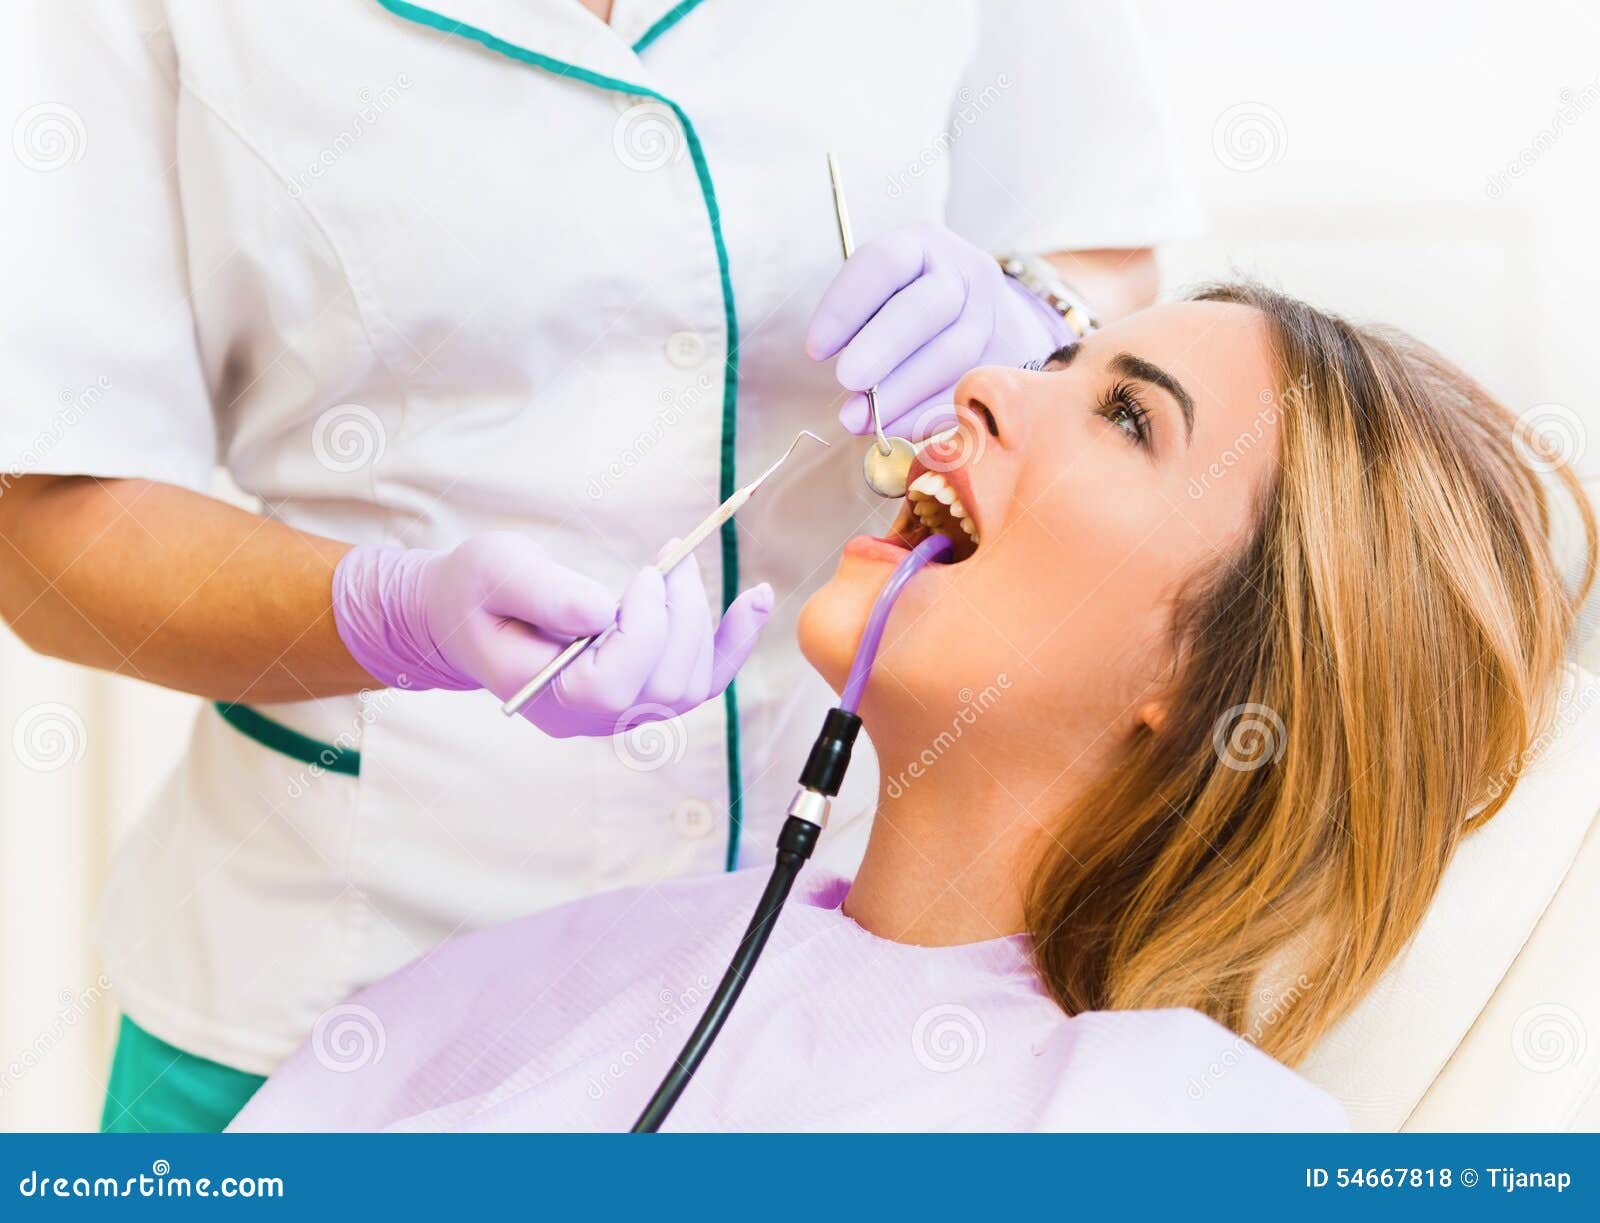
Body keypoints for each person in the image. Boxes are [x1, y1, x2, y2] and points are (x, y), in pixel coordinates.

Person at [0, 0, 1199, 1131]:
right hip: (325, 994)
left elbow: (1093, 225)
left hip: (837, 987)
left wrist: (1027, 309)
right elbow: (47, 516)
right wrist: (386, 617)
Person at [229, 284, 1590, 1130]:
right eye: (1060, 364)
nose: (989, 382)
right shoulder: (580, 972)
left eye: (1126, 417)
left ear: (1220, 686)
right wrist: (378, 609)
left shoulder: (1173, 1131)